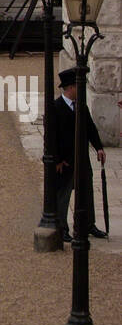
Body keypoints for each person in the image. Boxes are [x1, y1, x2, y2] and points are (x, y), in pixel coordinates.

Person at [53, 68, 108, 241]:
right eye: (78, 86)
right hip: (66, 161)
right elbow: (52, 137)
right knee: (63, 196)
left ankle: (87, 224)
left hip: (82, 159)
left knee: (86, 193)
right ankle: (62, 228)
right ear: (70, 88)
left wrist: (98, 147)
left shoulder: (81, 105)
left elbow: (90, 128)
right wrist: (57, 160)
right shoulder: (56, 108)